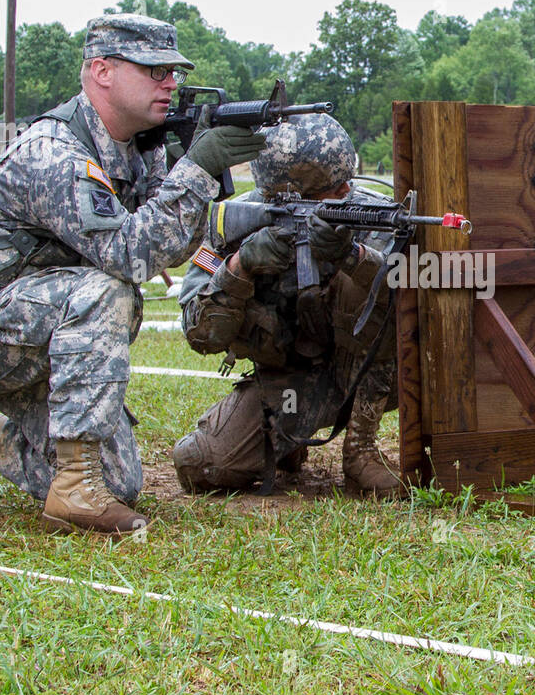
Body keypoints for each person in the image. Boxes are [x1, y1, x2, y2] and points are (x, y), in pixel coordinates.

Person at [0, 13, 266, 535]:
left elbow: (172, 251)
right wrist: (195, 169)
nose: (170, 83)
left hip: (54, 328)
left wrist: (194, 174)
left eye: (172, 73)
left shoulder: (138, 149)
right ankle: (73, 492)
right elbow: (130, 255)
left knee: (122, 482)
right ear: (102, 71)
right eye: (154, 71)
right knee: (107, 288)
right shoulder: (52, 152)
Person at [172, 114, 402, 498]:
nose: (348, 189)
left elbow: (411, 294)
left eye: (347, 178)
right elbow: (201, 334)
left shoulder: (370, 214)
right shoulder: (234, 221)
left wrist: (353, 257)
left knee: (367, 281)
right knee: (201, 465)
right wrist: (240, 267)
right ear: (285, 195)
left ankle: (361, 452)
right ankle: (287, 436)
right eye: (332, 187)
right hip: (287, 384)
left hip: (363, 381)